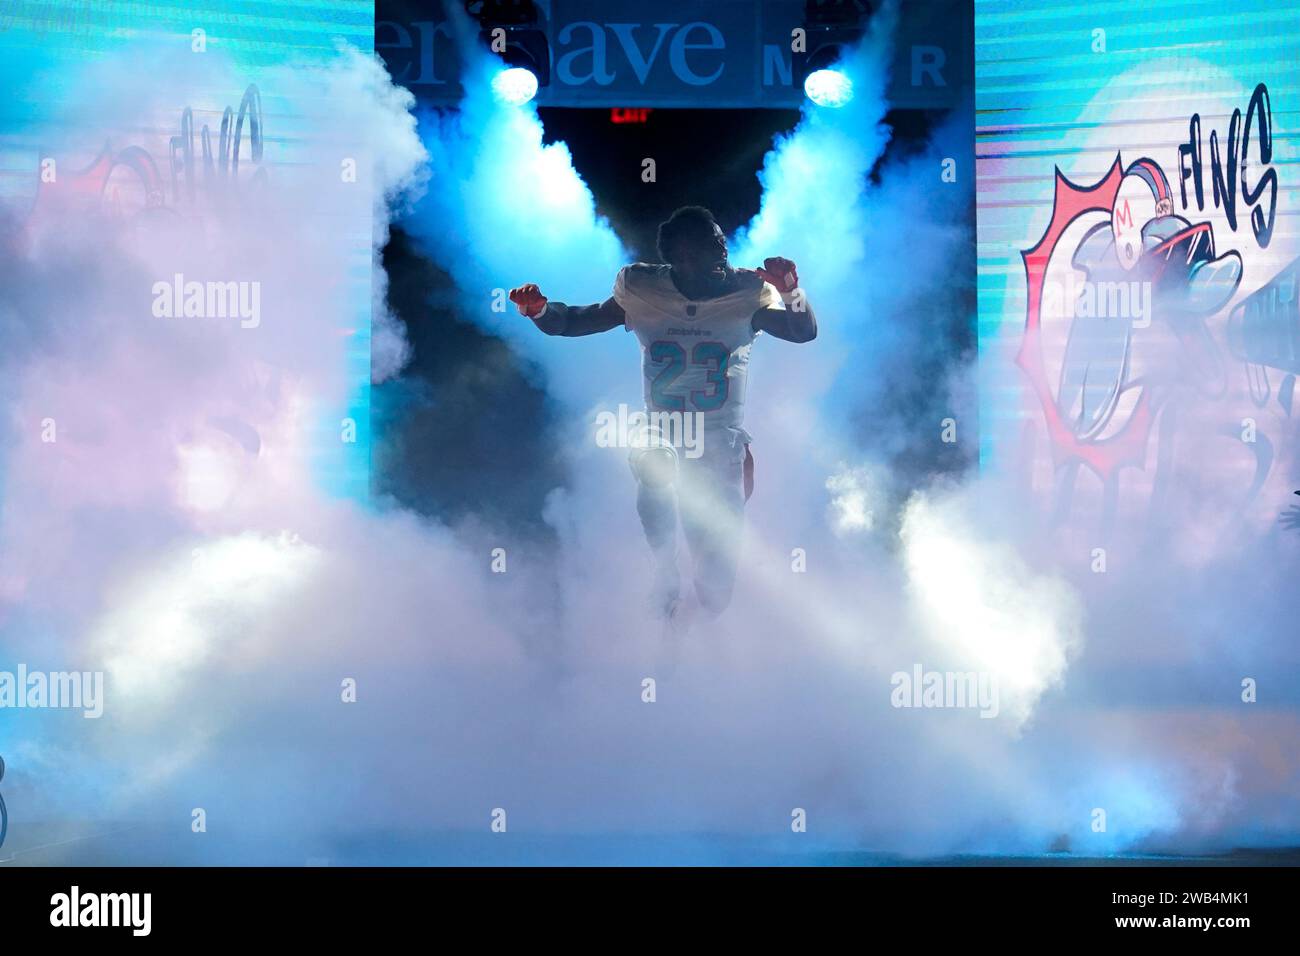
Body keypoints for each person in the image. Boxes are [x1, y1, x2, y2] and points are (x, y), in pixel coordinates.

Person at [509, 206, 817, 620]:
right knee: (654, 461)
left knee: (715, 594)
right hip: (664, 429)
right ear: (678, 259)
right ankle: (664, 569)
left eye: (718, 243)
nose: (719, 254)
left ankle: (684, 627)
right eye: (705, 249)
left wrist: (791, 292)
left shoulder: (748, 293)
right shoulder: (643, 289)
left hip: (719, 442)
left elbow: (802, 332)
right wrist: (540, 310)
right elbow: (576, 321)